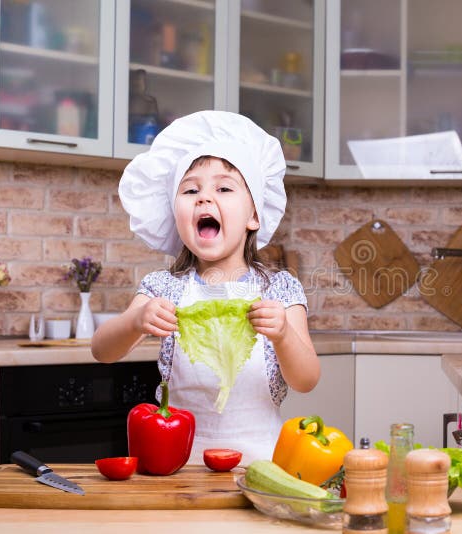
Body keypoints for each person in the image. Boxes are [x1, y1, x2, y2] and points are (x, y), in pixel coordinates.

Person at [92, 110, 319, 464]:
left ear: (254, 216)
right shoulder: (163, 287)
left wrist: (284, 335)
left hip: (262, 466)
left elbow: (307, 380)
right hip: (179, 466)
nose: (204, 198)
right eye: (191, 189)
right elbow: (102, 350)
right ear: (175, 212)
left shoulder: (279, 290)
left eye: (224, 188)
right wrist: (136, 322)